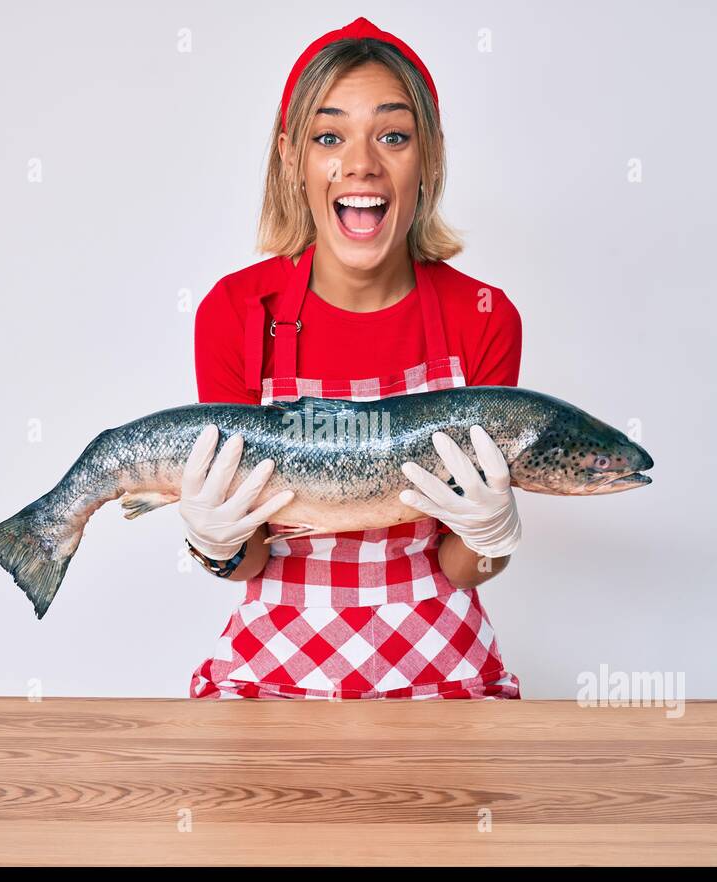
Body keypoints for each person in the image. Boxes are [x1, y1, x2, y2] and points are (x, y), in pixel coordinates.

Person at [184, 17, 524, 700]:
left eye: (393, 136)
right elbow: (250, 562)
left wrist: (494, 534)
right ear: (291, 157)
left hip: (444, 676)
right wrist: (213, 543)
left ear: (428, 158)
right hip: (270, 681)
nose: (361, 163)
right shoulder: (235, 312)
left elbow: (461, 567)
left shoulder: (483, 316)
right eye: (329, 136)